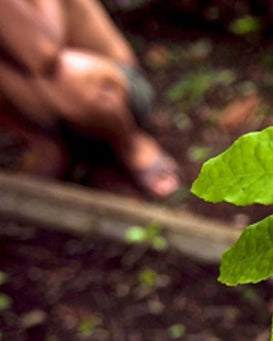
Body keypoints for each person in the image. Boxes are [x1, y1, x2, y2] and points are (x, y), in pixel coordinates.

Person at [0, 0, 180, 199]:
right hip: (49, 111)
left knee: (64, 70)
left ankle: (131, 144)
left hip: (117, 91)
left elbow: (43, 53)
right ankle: (48, 147)